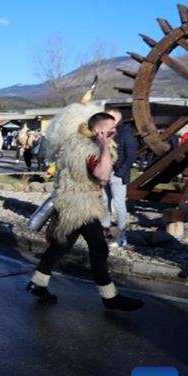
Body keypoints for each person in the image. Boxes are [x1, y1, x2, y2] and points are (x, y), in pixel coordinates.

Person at [25, 109, 144, 311]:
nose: (115, 132)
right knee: (99, 247)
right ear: (98, 130)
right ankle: (109, 296)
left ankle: (38, 282)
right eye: (111, 129)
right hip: (81, 205)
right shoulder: (90, 147)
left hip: (71, 200)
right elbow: (102, 174)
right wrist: (104, 146)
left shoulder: (75, 142)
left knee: (62, 245)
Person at [101, 109, 138, 248]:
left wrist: (120, 173)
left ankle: (122, 235)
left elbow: (131, 155)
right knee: (104, 202)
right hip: (105, 172)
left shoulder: (126, 133)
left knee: (119, 204)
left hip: (118, 174)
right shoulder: (105, 132)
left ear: (116, 120)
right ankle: (106, 232)